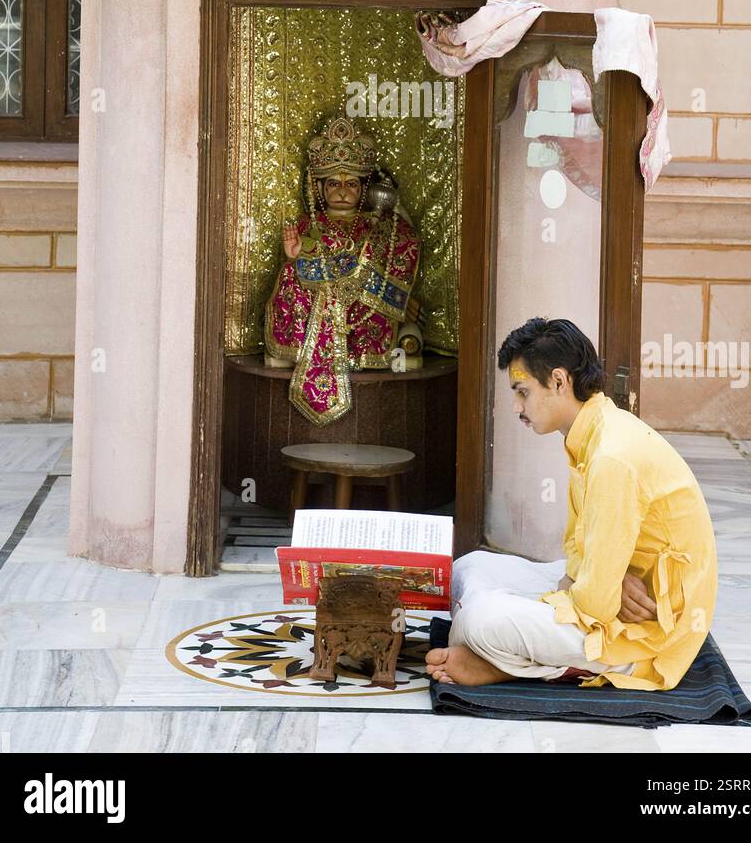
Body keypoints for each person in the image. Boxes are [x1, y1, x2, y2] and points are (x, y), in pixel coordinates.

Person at [426, 317, 718, 691]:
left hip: (645, 633)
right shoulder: (593, 433)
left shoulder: (612, 456)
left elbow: (594, 605)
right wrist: (605, 576)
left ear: (559, 382)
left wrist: (596, 582)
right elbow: (578, 549)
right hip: (612, 596)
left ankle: (521, 665)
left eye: (522, 391)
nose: (517, 406)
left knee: (478, 620)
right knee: (468, 568)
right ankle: (513, 655)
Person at [264, 114, 420, 424]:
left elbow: (403, 250)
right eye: (334, 182)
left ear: (365, 187)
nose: (342, 190)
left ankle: (361, 350)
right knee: (291, 276)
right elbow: (306, 265)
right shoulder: (310, 225)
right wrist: (295, 257)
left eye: (351, 183)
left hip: (363, 306)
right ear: (320, 188)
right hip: (319, 300)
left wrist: (392, 290)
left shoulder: (383, 226)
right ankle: (295, 350)